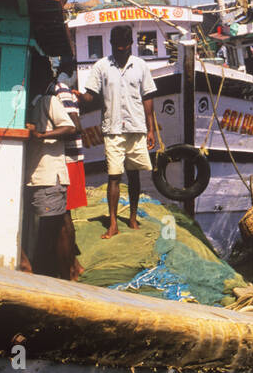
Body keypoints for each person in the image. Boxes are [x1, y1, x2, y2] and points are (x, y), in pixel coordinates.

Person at [76, 24, 158, 239]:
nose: (121, 50)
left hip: (136, 127)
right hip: (112, 129)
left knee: (134, 174)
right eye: (117, 46)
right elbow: (91, 96)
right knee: (114, 176)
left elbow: (148, 96)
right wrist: (79, 97)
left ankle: (132, 217)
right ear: (111, 44)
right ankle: (113, 223)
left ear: (131, 44)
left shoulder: (140, 66)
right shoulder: (101, 66)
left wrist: (151, 129)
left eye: (125, 46)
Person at [21, 55, 77, 278]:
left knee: (48, 237)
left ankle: (63, 280)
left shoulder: (49, 101)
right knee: (42, 238)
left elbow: (70, 128)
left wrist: (41, 134)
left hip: (49, 178)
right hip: (36, 177)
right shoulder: (32, 102)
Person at [55, 60, 87, 280]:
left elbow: (75, 125)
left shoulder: (61, 92)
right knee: (64, 216)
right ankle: (73, 264)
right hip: (69, 157)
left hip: (68, 158)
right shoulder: (62, 91)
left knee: (63, 216)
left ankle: (70, 270)